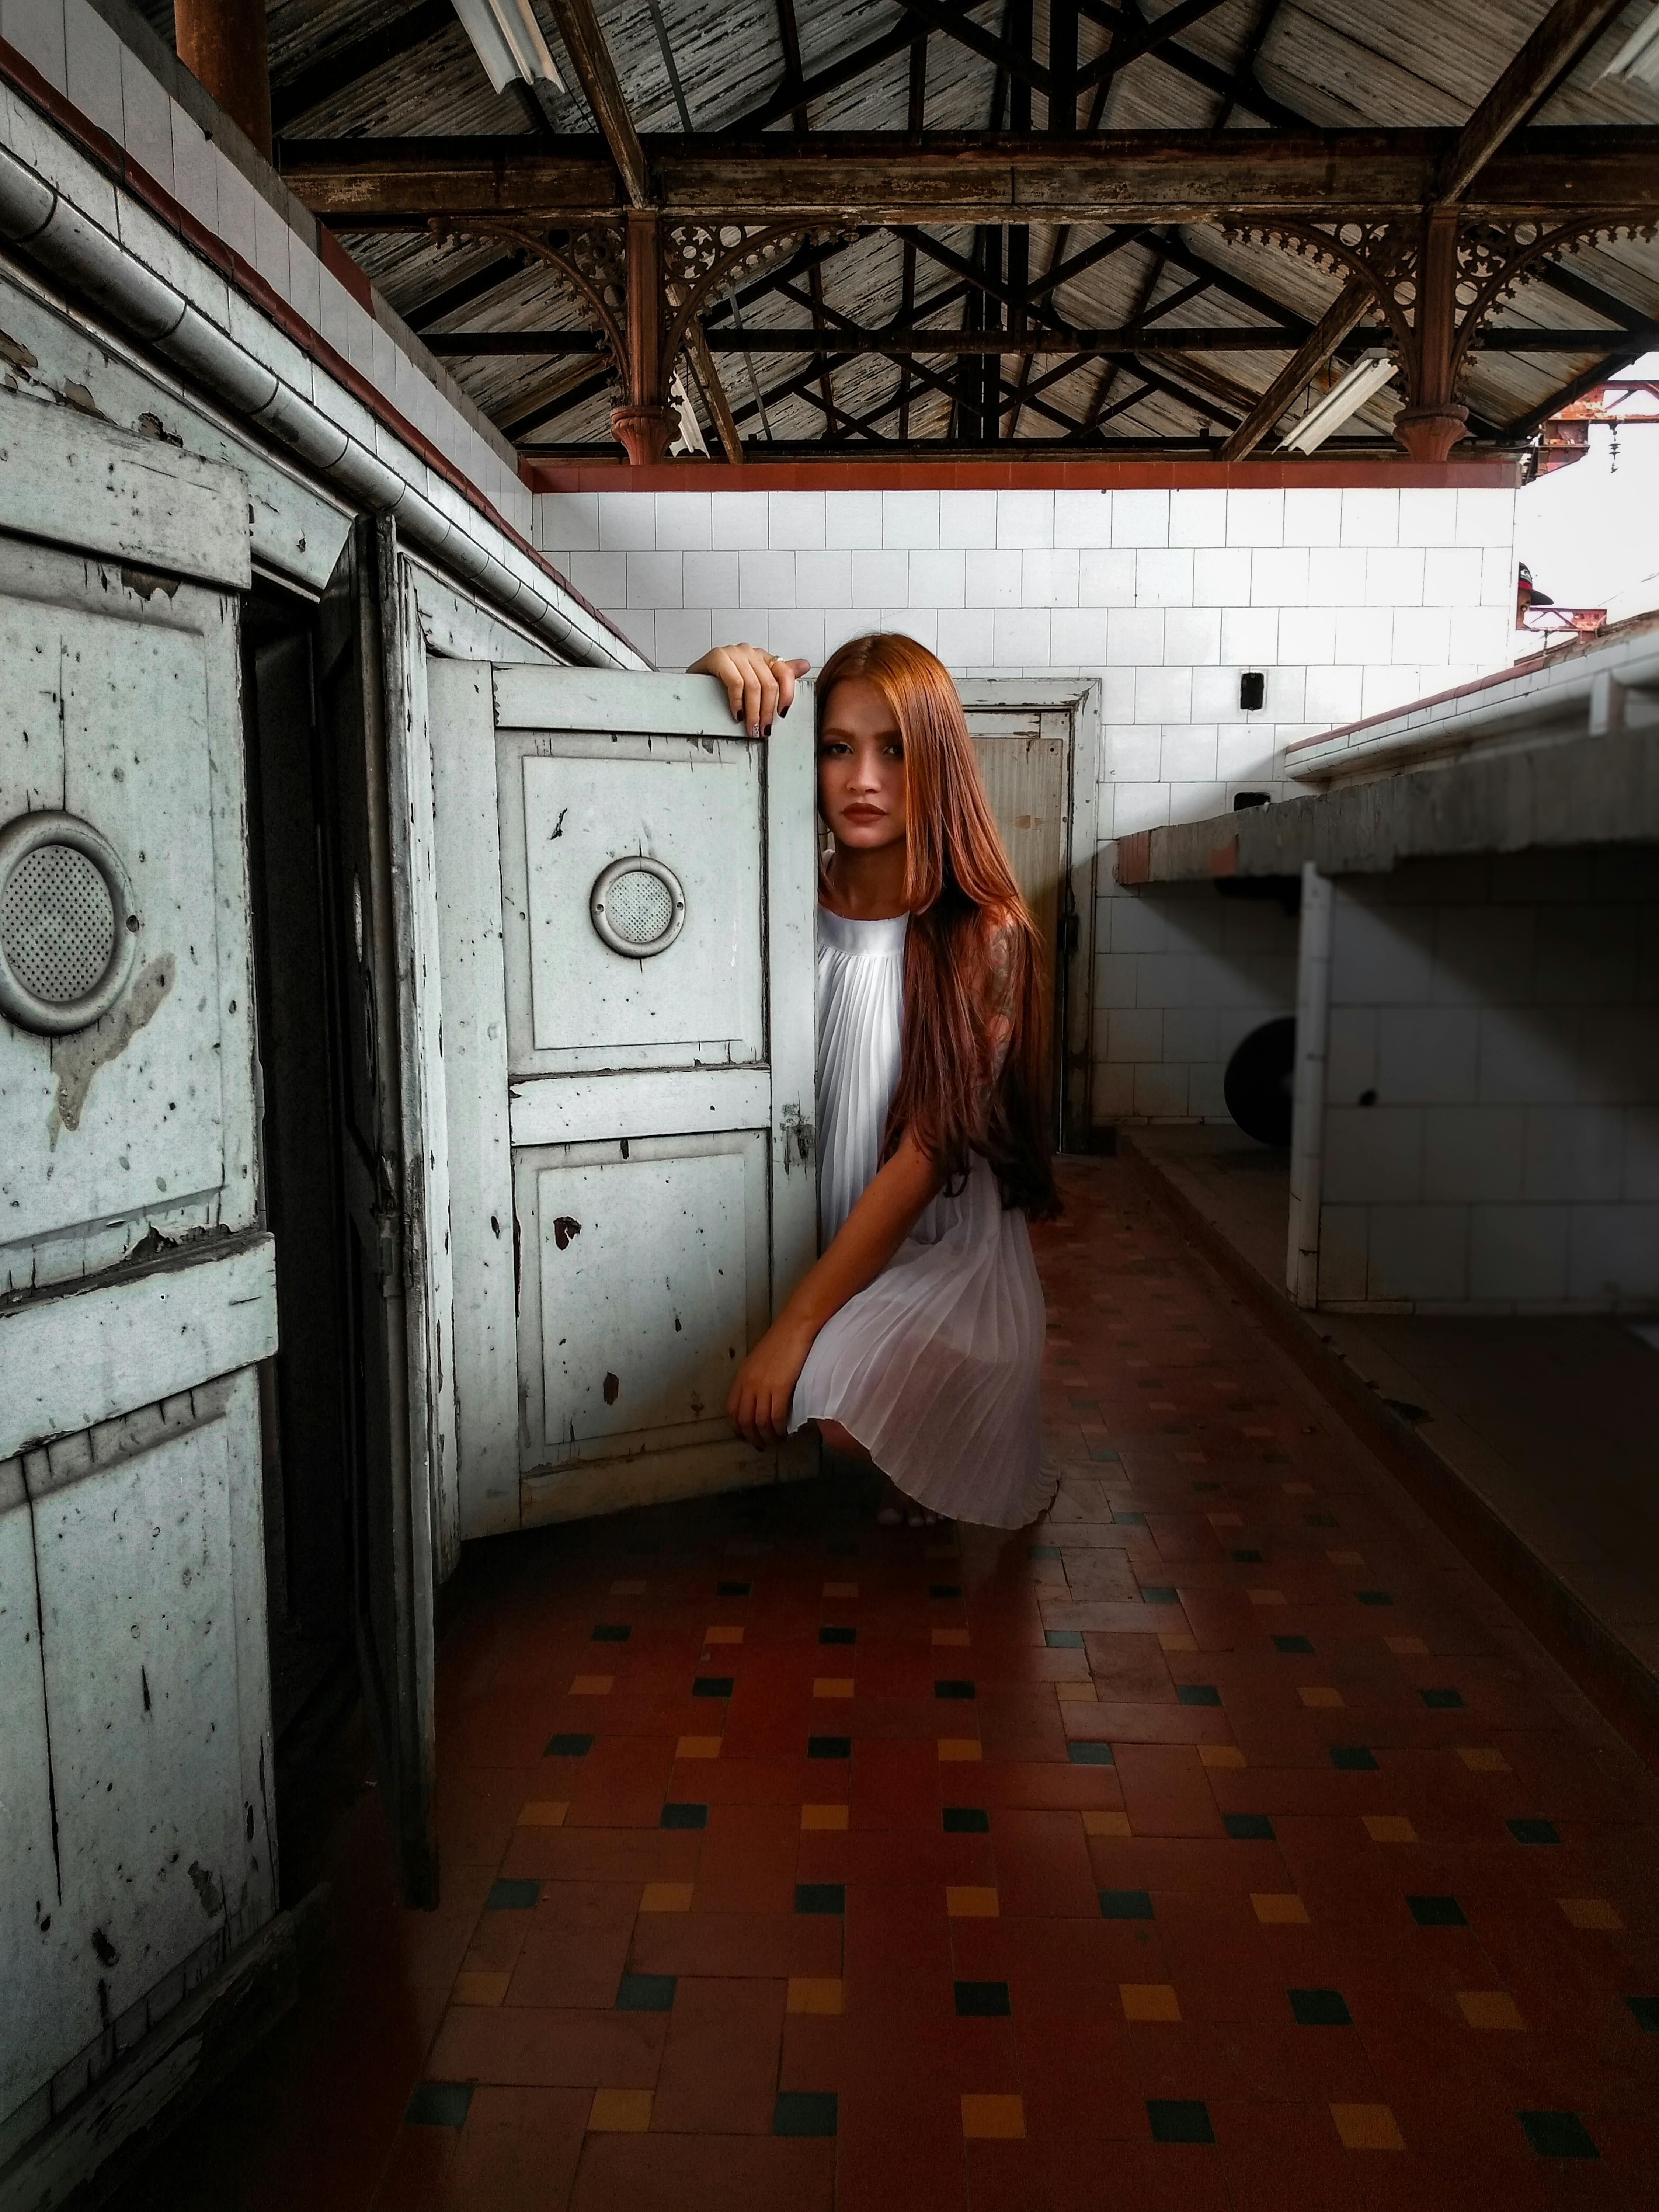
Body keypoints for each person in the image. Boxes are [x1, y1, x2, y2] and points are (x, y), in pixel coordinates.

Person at [688, 634, 1058, 1529]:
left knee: (841, 1415)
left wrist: (795, 1329)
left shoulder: (985, 935)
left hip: (937, 1249)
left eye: (894, 749)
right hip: (785, 1223)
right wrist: (702, 687)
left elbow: (925, 1158)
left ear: (939, 762)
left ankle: (946, 1418)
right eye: (836, 747)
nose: (863, 779)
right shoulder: (773, 900)